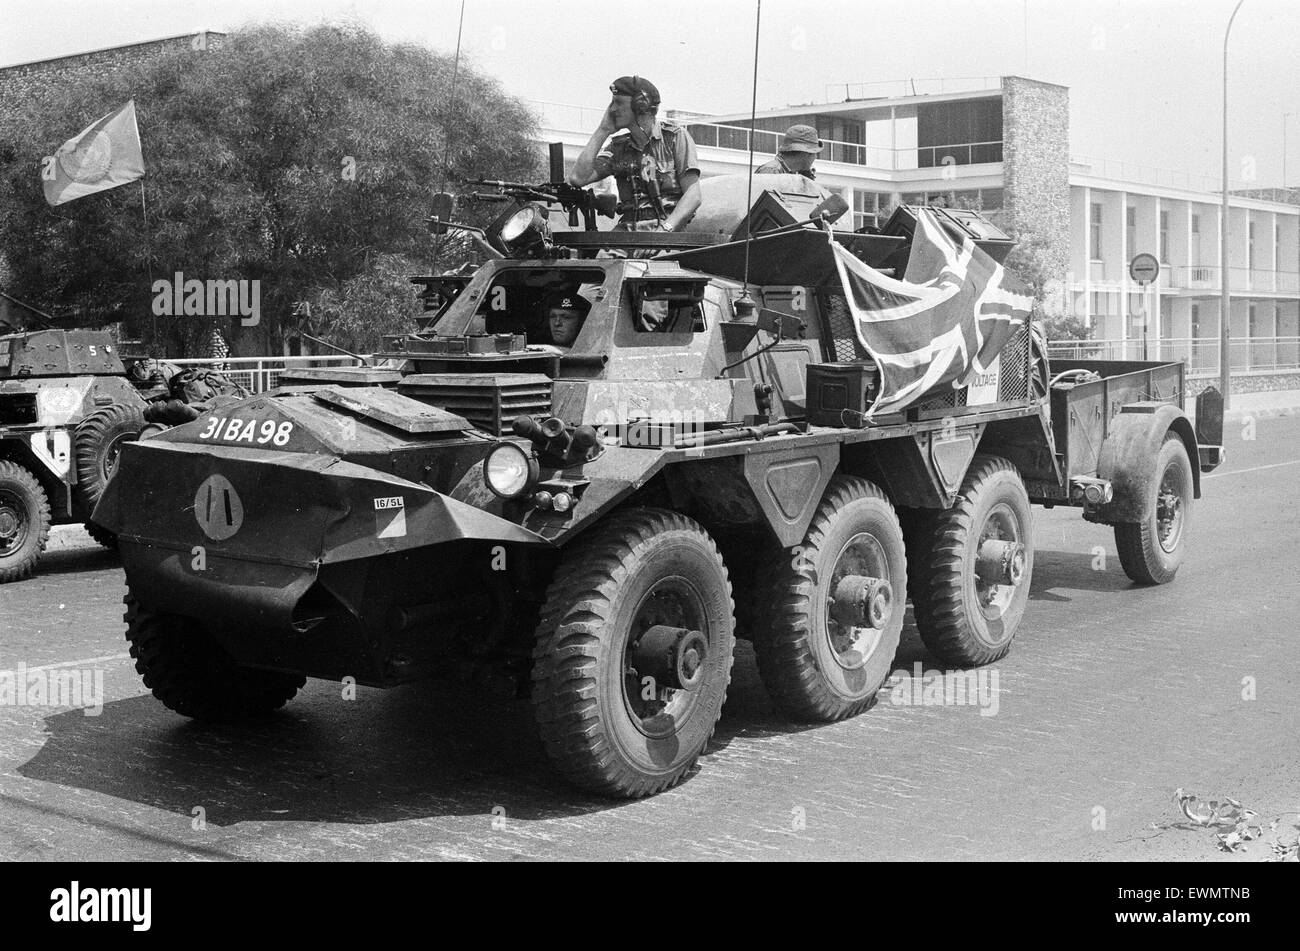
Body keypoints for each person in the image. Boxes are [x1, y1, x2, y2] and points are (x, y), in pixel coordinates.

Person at [568, 76, 701, 233]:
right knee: (598, 258)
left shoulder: (675, 138)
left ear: (640, 105)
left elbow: (693, 196)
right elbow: (578, 178)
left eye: (618, 102)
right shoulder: (618, 148)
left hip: (667, 232)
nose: (612, 110)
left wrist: (665, 230)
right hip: (627, 231)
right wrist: (602, 130)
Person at [755, 124, 823, 179]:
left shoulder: (794, 175)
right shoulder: (771, 171)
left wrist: (807, 179)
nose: (815, 157)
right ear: (804, 154)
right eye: (814, 153)